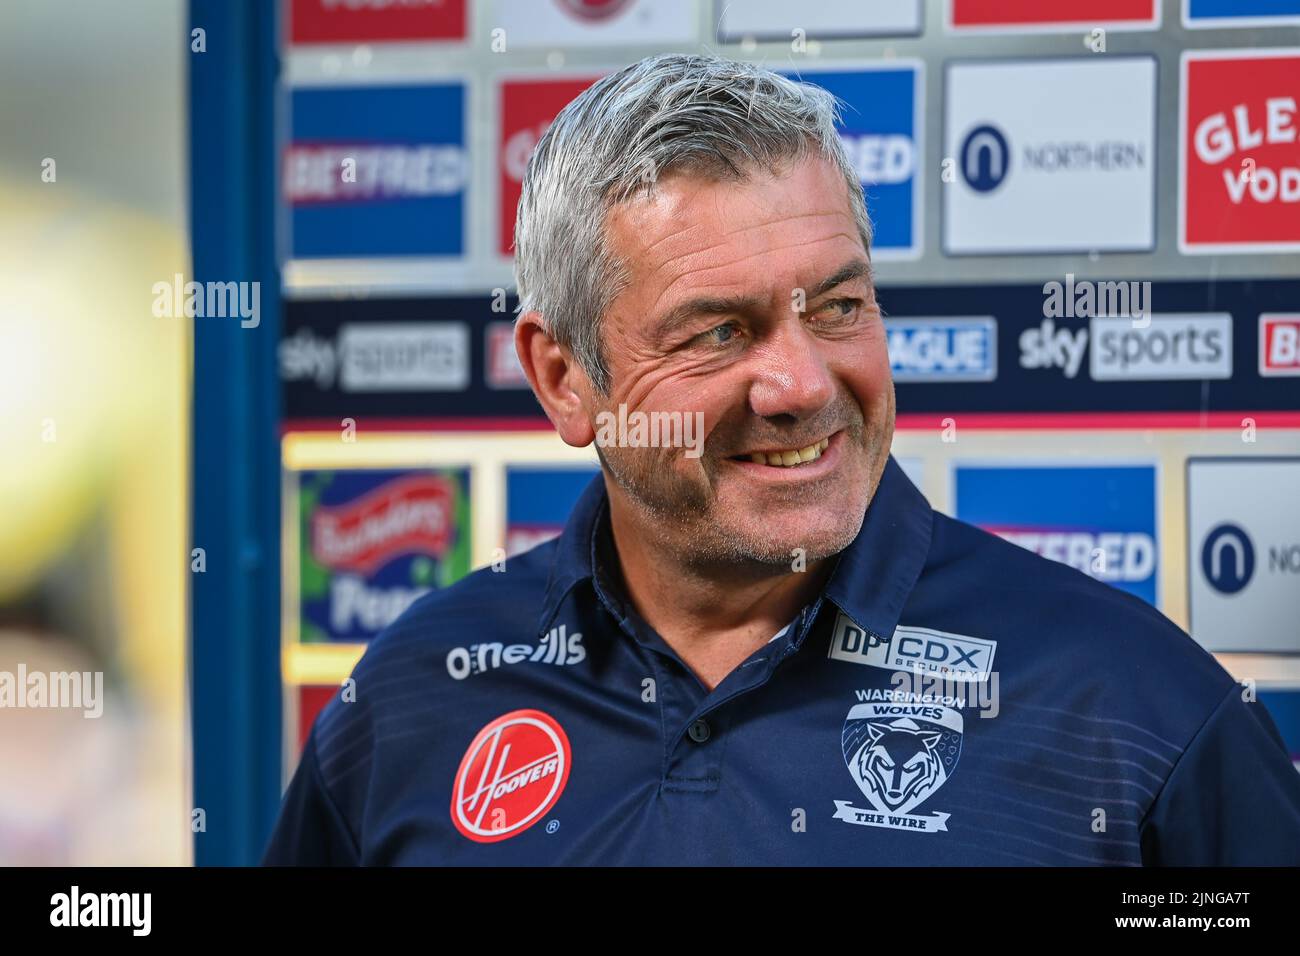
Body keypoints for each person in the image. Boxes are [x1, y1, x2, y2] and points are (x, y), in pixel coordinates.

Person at [263, 53, 1300, 865]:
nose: (802, 383)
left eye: (839, 306)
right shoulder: (411, 698)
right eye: (718, 331)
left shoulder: (1133, 712)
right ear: (564, 377)